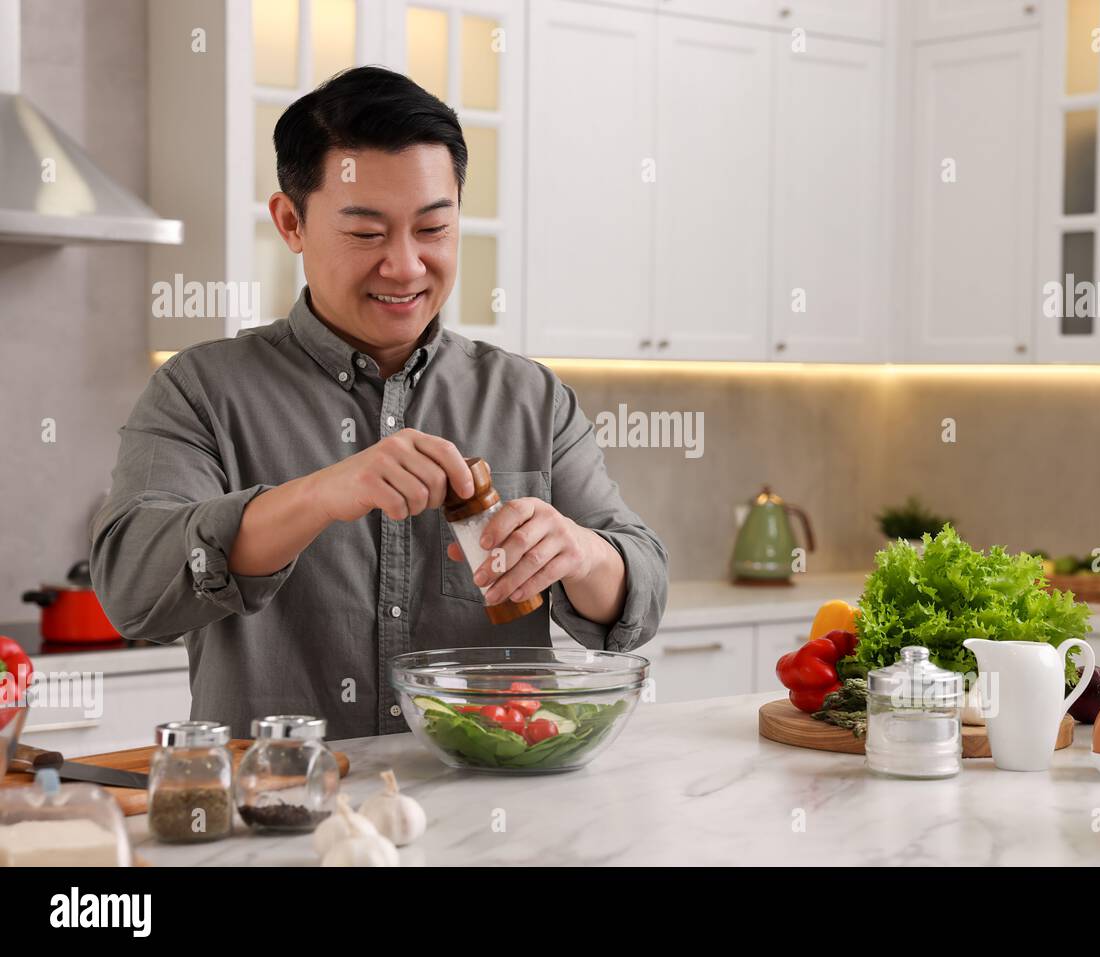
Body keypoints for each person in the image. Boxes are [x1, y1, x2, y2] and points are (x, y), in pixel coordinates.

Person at [90, 66, 668, 739]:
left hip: (485, 820)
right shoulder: (199, 390)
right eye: (366, 233)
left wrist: (582, 553)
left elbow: (642, 592)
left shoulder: (529, 398)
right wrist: (316, 497)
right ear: (291, 222)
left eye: (432, 229)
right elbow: (132, 588)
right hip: (279, 821)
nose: (404, 265)